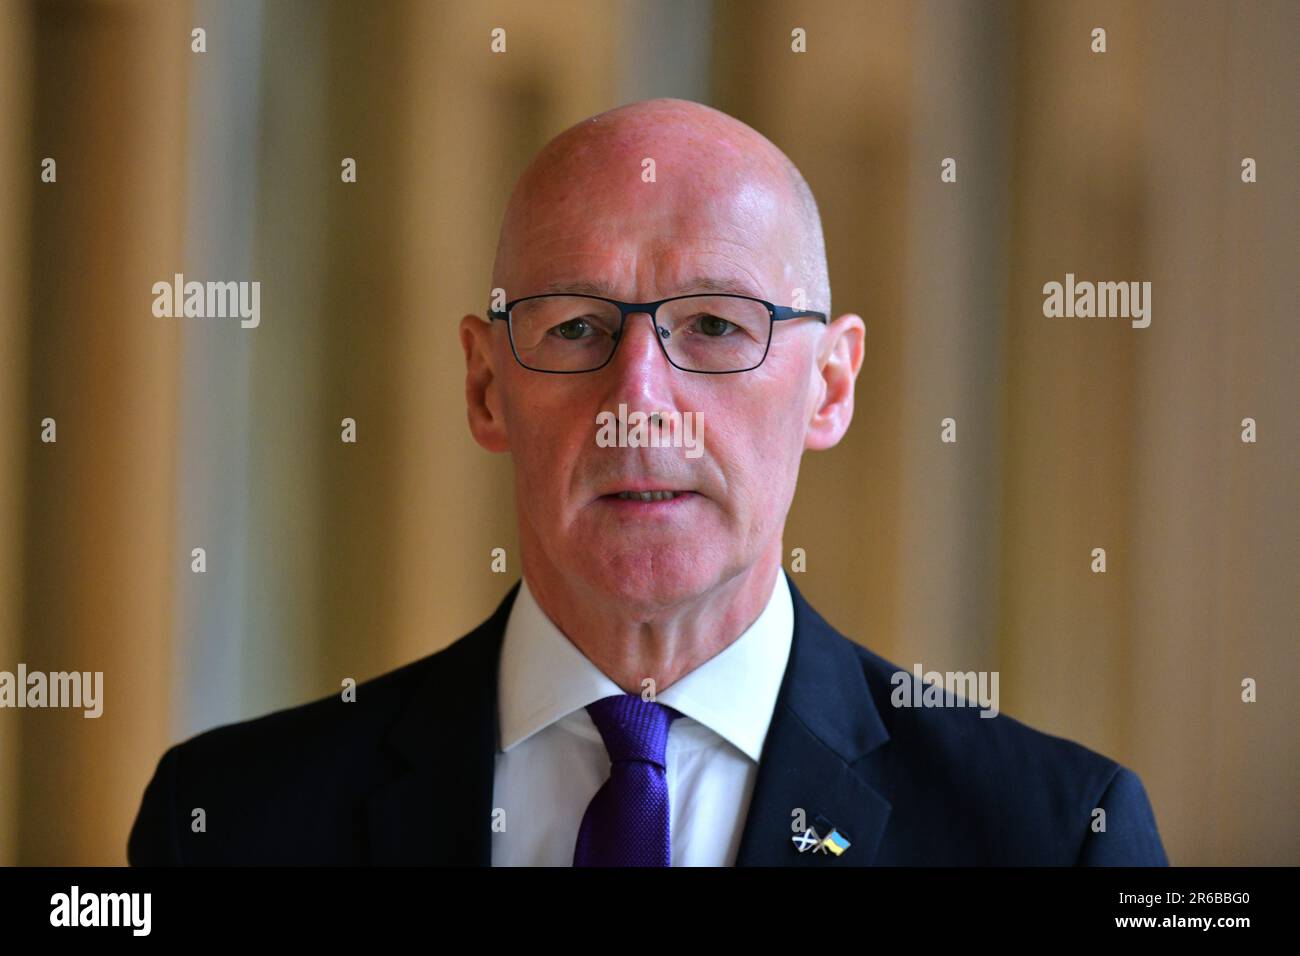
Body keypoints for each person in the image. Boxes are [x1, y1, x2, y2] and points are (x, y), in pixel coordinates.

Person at [128, 98, 1168, 866]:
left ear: (830, 385)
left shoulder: (1053, 836)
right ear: (486, 387)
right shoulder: (228, 821)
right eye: (575, 326)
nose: (637, 395)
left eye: (715, 325)